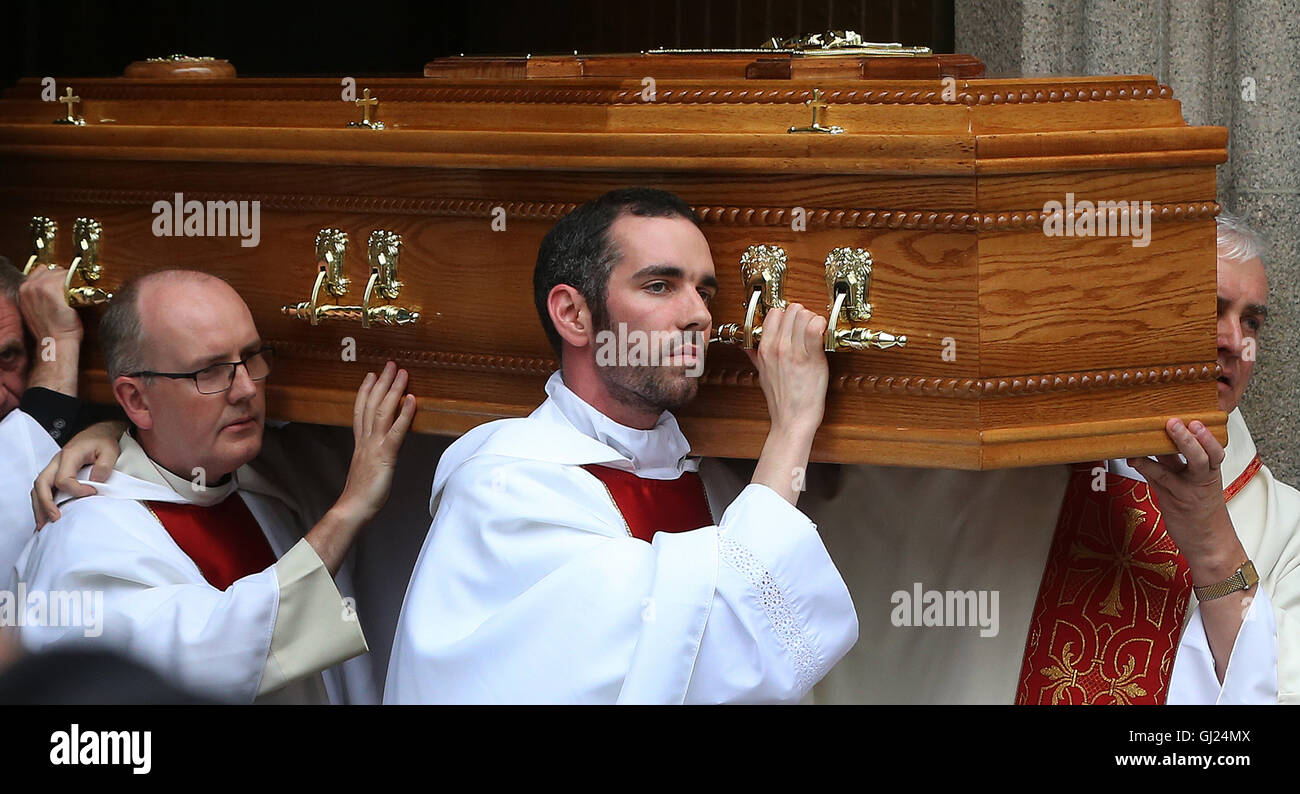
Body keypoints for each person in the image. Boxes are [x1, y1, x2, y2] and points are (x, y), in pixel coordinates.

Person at [706, 211, 1296, 704]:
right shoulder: (1006, 461)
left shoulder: (1285, 526)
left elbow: (1267, 697)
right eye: (1208, 307)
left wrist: (1210, 539)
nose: (1232, 340)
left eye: (1252, 322)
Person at [385, 187, 858, 704]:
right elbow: (718, 646)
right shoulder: (506, 492)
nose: (698, 314)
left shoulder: (714, 485)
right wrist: (791, 427)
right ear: (573, 315)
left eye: (705, 292)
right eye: (660, 285)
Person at [14, 270, 416, 704]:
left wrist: (113, 427)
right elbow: (211, 656)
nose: (246, 389)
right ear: (135, 400)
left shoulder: (265, 472)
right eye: (210, 371)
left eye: (252, 357)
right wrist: (349, 509)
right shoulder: (85, 536)